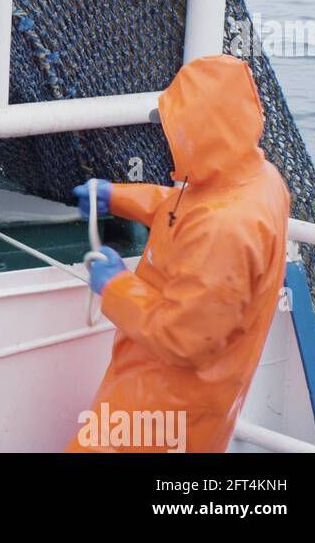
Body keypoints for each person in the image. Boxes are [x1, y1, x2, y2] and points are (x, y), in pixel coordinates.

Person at [66, 54, 290, 453]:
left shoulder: (227, 227)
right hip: (169, 396)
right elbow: (181, 209)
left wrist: (116, 286)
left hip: (167, 411)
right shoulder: (253, 180)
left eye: (176, 127)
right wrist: (117, 196)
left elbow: (184, 338)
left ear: (202, 134)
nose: (169, 137)